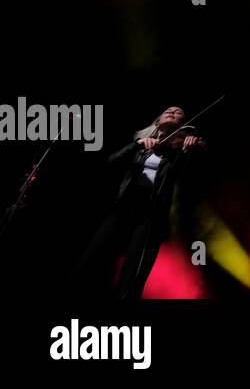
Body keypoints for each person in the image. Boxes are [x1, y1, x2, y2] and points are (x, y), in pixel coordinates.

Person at [76, 106, 204, 298]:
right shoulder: (141, 145)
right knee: (91, 257)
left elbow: (176, 177)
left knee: (133, 271)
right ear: (157, 120)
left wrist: (185, 154)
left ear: (182, 125)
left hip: (151, 213)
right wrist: (137, 145)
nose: (172, 111)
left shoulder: (177, 150)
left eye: (178, 113)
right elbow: (111, 162)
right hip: (123, 206)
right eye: (168, 110)